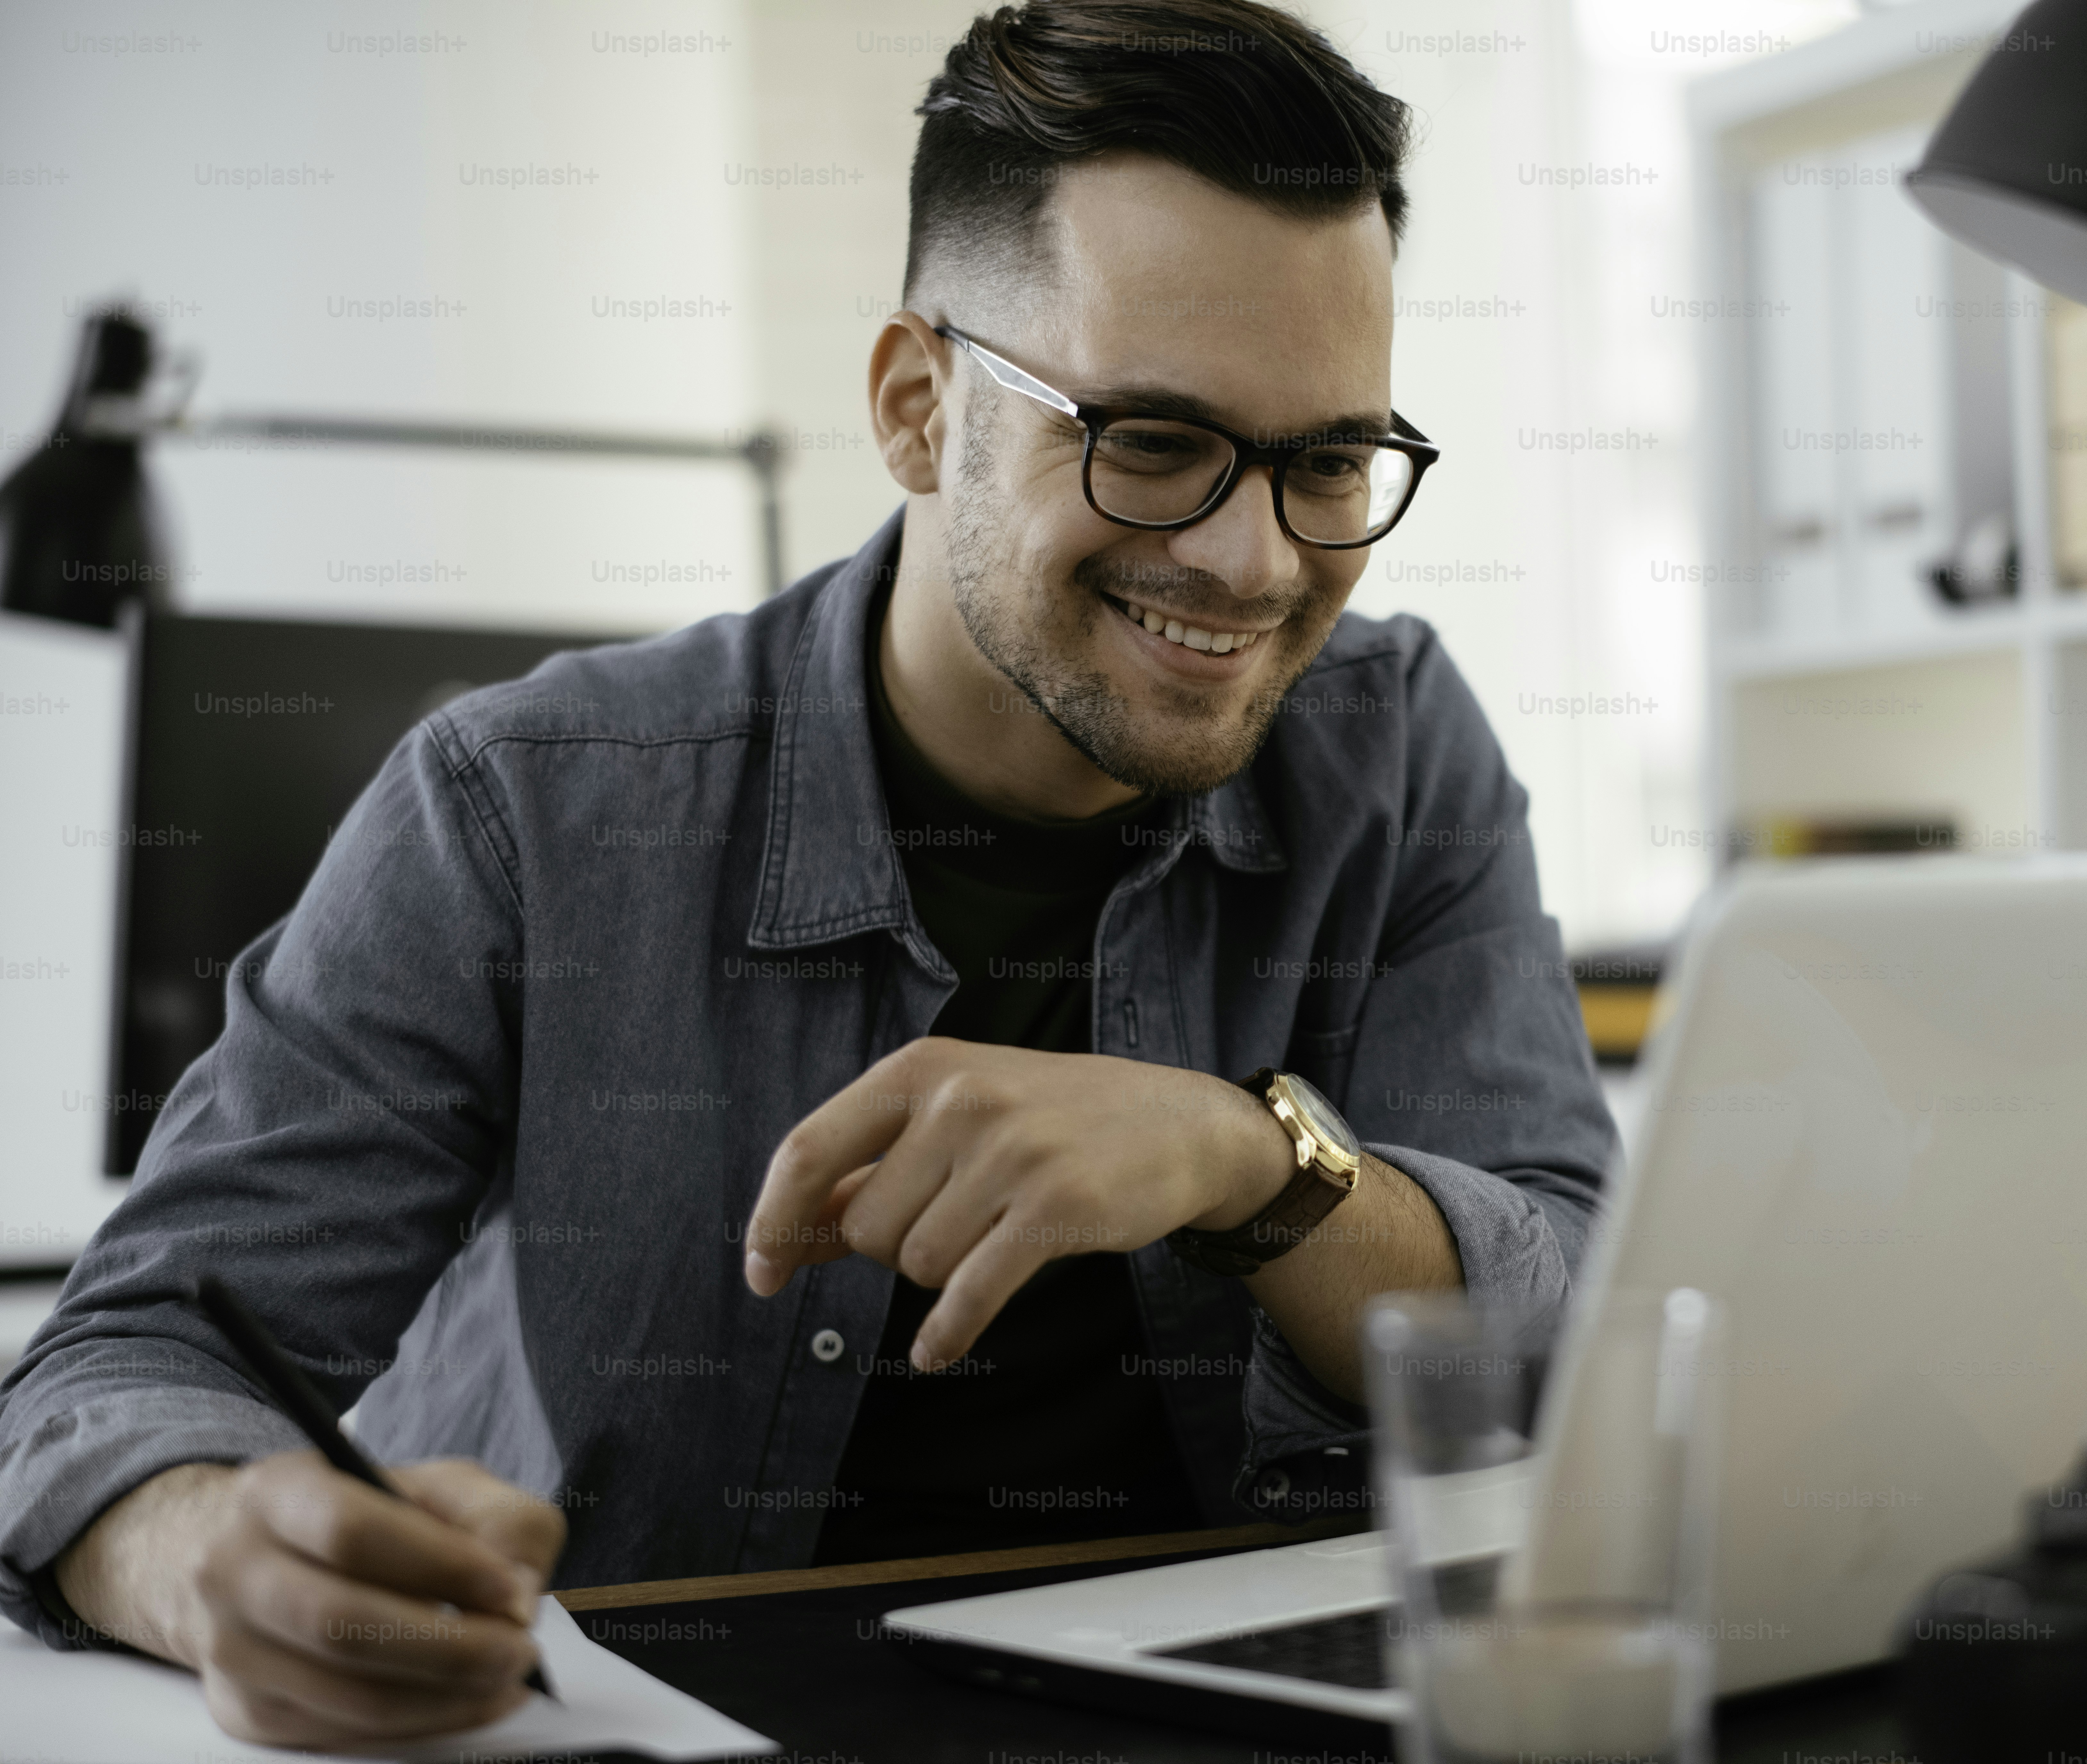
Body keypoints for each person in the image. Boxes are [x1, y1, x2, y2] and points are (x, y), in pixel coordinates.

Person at [0, 0, 1614, 1745]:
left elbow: (1582, 1334)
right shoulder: (522, 808)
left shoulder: (1397, 749)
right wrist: (210, 1561)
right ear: (920, 410)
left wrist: (1243, 1159)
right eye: (1152, 443)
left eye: (1329, 462)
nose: (1252, 562)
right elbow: (117, 1369)